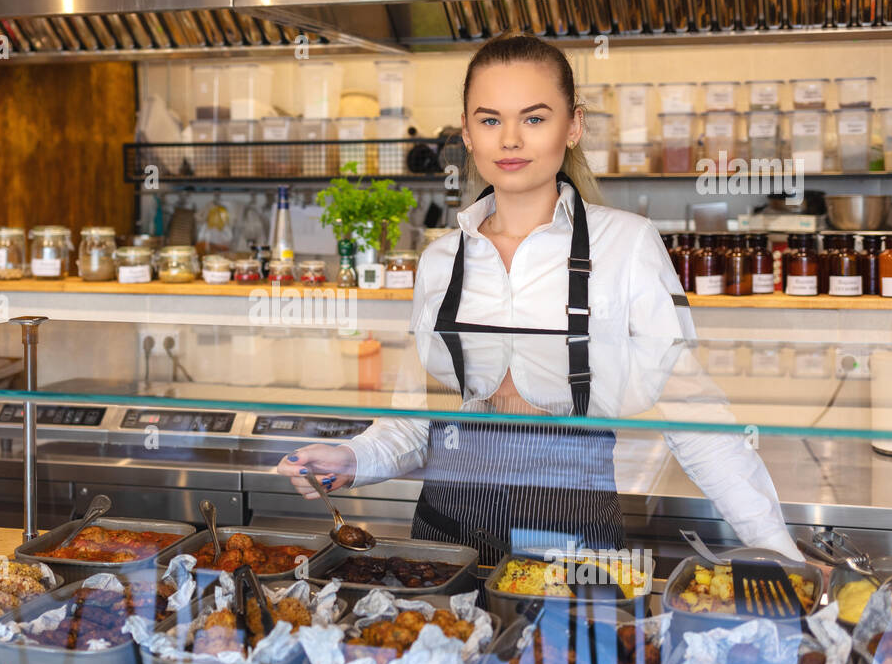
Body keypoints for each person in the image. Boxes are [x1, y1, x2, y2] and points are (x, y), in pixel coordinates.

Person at [276, 32, 802, 562]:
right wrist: (350, 456)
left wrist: (779, 550)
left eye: (533, 118)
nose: (509, 140)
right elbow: (417, 422)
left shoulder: (627, 244)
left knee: (568, 651)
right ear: (467, 132)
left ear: (573, 126)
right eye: (489, 120)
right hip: (442, 547)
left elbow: (697, 421)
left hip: (576, 549)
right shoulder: (440, 262)